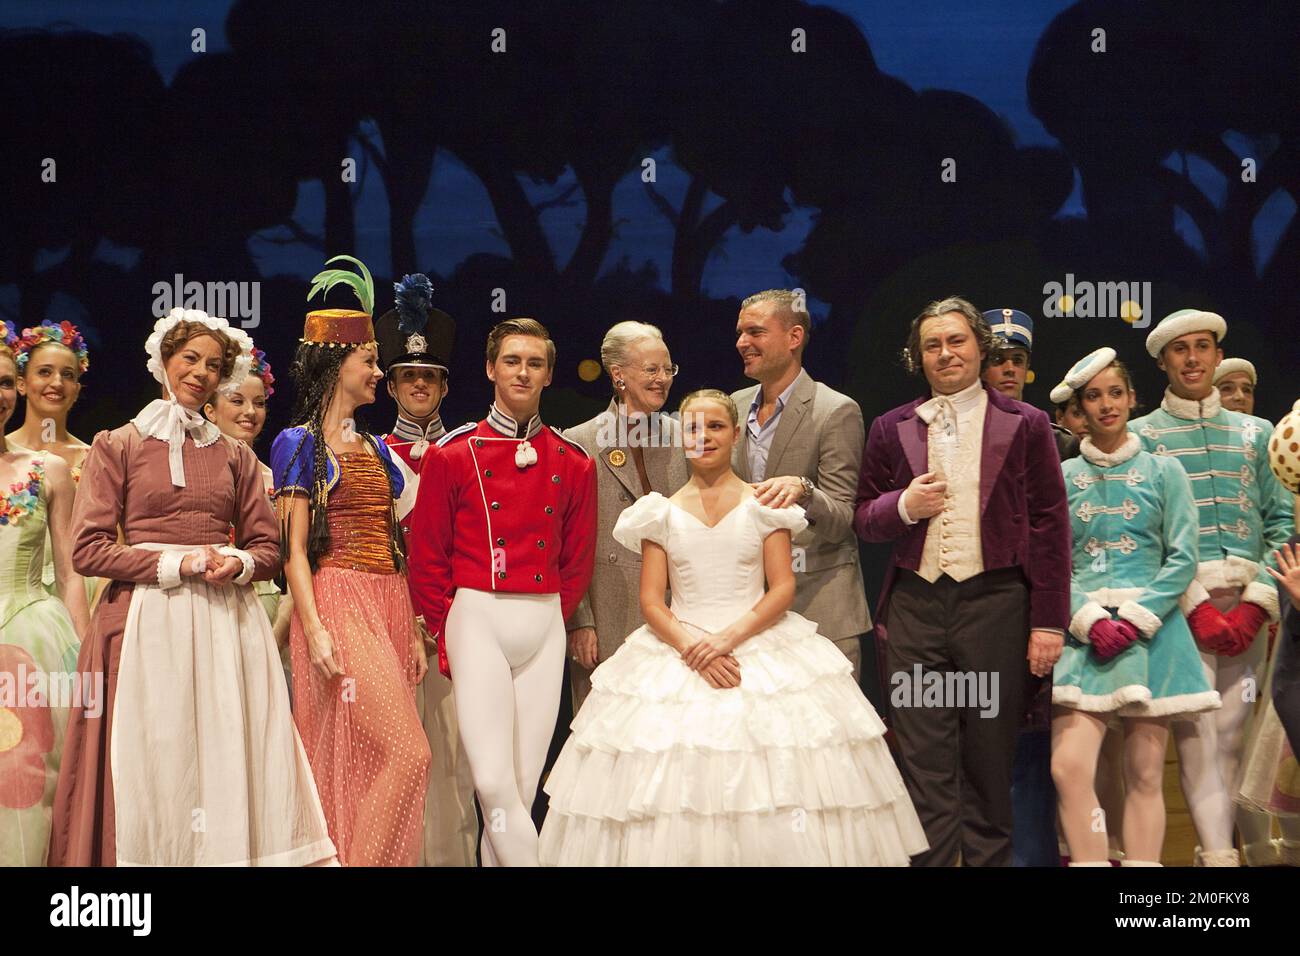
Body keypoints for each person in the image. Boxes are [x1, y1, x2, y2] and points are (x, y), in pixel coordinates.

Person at [538, 389, 927, 865]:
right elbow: (650, 599)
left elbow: (781, 588)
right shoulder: (658, 511)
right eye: (694, 428)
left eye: (716, 427)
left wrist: (726, 639)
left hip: (755, 643)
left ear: (736, 434)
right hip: (679, 650)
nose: (704, 438)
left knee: (776, 782)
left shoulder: (764, 505)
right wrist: (692, 647)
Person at [48, 307, 334, 867]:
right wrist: (174, 566)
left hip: (225, 623)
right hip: (142, 621)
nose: (201, 373)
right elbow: (87, 549)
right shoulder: (119, 444)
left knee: (226, 751)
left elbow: (268, 548)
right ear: (163, 362)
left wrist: (239, 564)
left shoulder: (234, 456)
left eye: (213, 365)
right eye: (190, 360)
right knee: (155, 758)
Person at [854, 296, 1071, 867]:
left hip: (995, 606)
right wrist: (904, 505)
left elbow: (1051, 523)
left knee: (987, 764)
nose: (945, 353)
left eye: (956, 341)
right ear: (917, 357)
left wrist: (1049, 621)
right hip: (916, 611)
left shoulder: (1024, 424)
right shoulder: (889, 427)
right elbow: (864, 517)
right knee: (924, 764)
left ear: (979, 347)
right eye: (932, 344)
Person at [407, 318, 596, 867]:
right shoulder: (453, 453)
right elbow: (428, 557)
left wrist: (547, 621)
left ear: (549, 375)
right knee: (492, 783)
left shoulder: (573, 461)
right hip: (477, 618)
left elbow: (576, 560)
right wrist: (451, 632)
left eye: (534, 363)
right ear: (491, 368)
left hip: (543, 624)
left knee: (520, 786)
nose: (523, 371)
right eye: (512, 360)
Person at [272, 257, 431, 867]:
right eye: (369, 361)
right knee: (407, 752)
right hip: (339, 599)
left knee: (373, 760)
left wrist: (415, 624)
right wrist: (313, 627)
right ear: (338, 363)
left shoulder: (376, 448)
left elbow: (397, 542)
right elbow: (293, 552)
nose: (378, 372)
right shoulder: (299, 444)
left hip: (389, 599)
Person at [1130, 309, 1293, 867]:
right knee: (1196, 738)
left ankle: (1220, 858)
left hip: (1247, 608)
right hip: (1181, 608)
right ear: (1162, 362)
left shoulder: (1257, 433)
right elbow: (1144, 535)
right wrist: (1192, 603)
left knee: (1231, 737)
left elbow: (1283, 523)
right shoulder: (1142, 436)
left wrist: (1257, 602)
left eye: (1203, 347)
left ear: (1218, 356)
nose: (1194, 358)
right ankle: (1221, 861)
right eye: (1181, 350)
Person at [1047, 348, 1219, 867]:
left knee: (1144, 772)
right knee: (1069, 768)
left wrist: (1139, 616)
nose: (1106, 405)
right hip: (1085, 637)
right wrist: (1090, 618)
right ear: (1078, 411)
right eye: (1093, 397)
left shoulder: (1166, 472)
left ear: (1132, 398)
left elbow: (1184, 557)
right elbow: (1053, 562)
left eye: (1115, 393)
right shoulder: (1062, 475)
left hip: (1154, 633)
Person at [374, 272, 477, 867]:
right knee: (398, 757)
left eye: (429, 377)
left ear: (444, 385)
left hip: (454, 619)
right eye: (408, 376)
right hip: (389, 622)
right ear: (390, 385)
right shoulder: (368, 452)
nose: (419, 385)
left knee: (456, 759)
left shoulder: (468, 450)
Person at [731, 290, 871, 681]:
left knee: (829, 738)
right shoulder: (733, 407)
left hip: (819, 608)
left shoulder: (836, 410)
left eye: (755, 332)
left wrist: (805, 490)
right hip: (746, 611)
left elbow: (843, 519)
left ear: (794, 337)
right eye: (741, 333)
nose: (742, 343)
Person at [563, 320, 688, 710]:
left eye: (668, 369)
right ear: (618, 374)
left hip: (677, 612)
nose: (662, 379)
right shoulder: (579, 441)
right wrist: (579, 621)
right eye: (651, 369)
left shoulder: (683, 435)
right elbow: (567, 541)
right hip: (607, 610)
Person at [0, 327, 89, 866]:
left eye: (5, 382)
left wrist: (85, 659)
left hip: (31, 635)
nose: (0, 394)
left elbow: (72, 572)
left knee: (27, 776)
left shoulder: (47, 471)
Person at [980, 306, 1064, 867]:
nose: (1008, 369)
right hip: (982, 608)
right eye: (999, 359)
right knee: (986, 749)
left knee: (1038, 748)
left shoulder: (1054, 436)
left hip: (1041, 606)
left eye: (1018, 360)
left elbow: (1056, 529)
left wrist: (1050, 616)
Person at [203, 346, 293, 656]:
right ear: (210, 410)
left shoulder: (279, 481)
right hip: (209, 602)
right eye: (237, 401)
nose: (250, 413)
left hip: (266, 606)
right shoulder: (197, 481)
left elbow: (296, 561)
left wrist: (277, 632)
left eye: (259, 403)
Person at [5, 320, 97, 606]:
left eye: (67, 375)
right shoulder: (4, 456)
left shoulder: (94, 458)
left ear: (77, 388)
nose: (57, 383)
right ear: (21, 383)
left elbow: (116, 542)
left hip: (81, 589)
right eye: (45, 372)